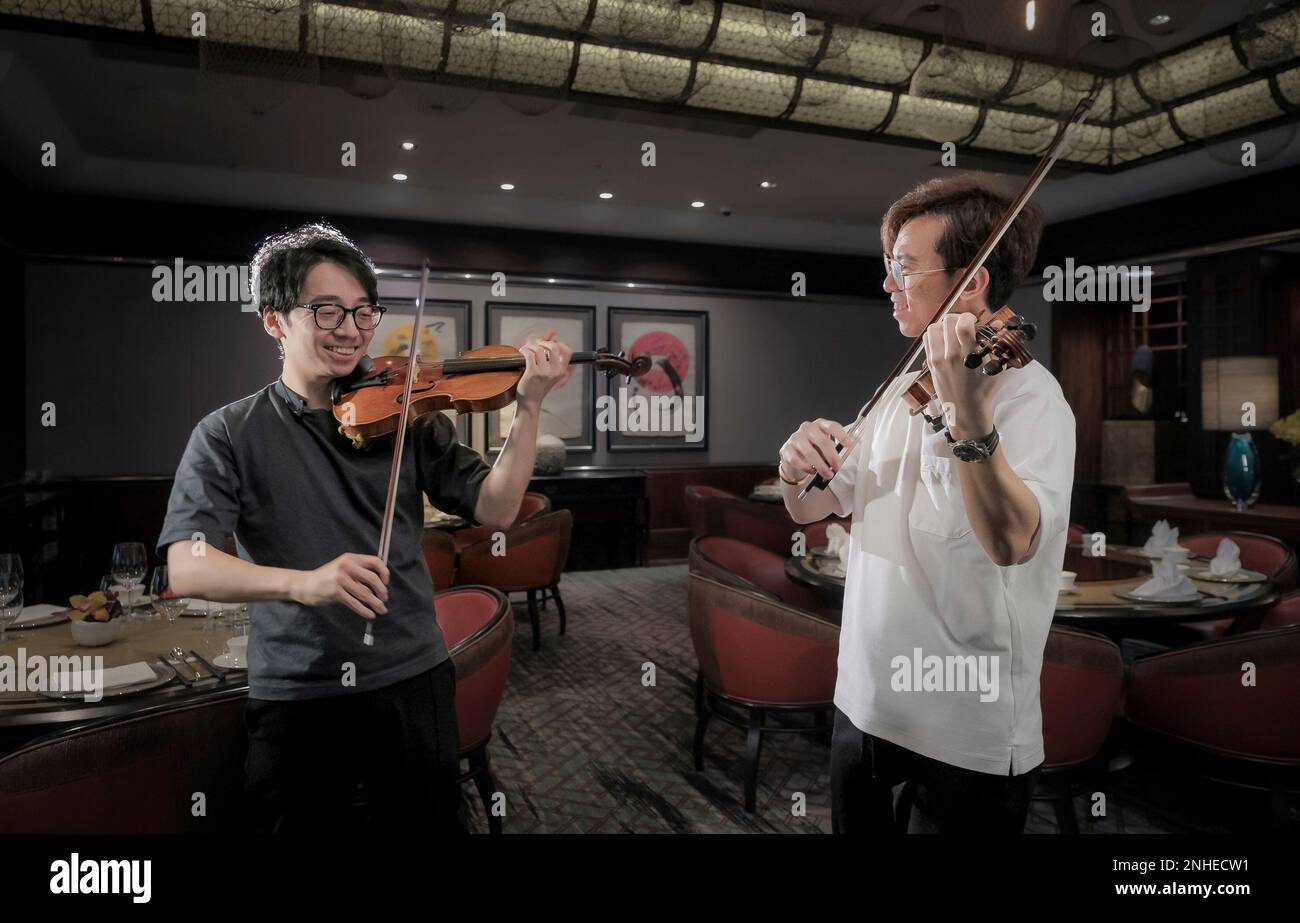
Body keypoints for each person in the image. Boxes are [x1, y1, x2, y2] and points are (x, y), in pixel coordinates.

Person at [157, 222, 572, 833]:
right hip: (298, 690)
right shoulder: (227, 433)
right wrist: (305, 583)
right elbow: (186, 566)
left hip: (413, 673)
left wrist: (529, 406)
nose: (350, 330)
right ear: (275, 321)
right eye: (326, 312)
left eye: (363, 312)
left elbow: (497, 508)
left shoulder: (406, 407)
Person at [779, 176, 1076, 833]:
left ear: (971, 283)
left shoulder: (1032, 399)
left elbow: (1011, 540)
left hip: (967, 725)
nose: (888, 284)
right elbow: (810, 507)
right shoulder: (902, 392)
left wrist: (969, 415)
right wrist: (795, 467)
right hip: (866, 700)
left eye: (903, 267)